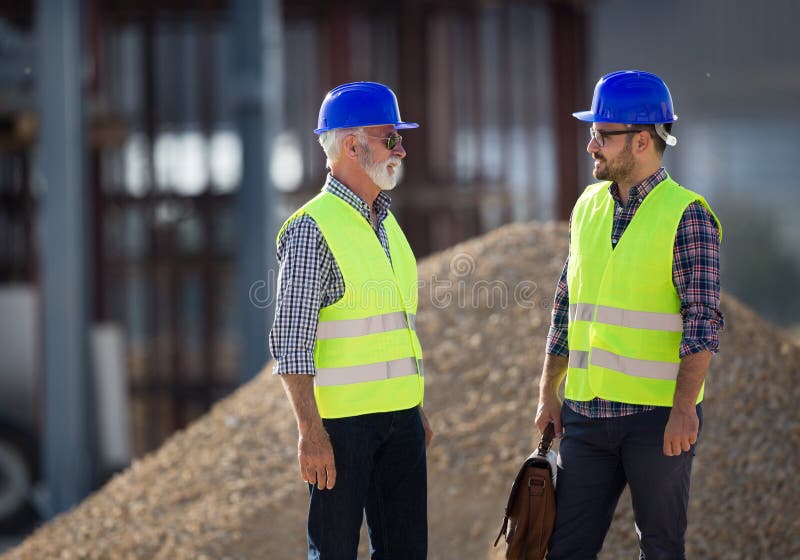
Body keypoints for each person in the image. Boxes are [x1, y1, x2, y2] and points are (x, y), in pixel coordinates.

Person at [534, 70, 724, 559]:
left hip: (656, 420)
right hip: (586, 415)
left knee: (660, 549)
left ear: (641, 141)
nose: (591, 145)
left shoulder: (687, 216)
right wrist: (548, 394)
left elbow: (703, 321)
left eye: (602, 135)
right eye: (591, 133)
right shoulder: (587, 206)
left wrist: (684, 410)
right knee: (565, 549)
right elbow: (565, 307)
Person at [268, 81, 432, 560]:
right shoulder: (311, 230)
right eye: (390, 138)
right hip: (341, 430)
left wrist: (413, 409)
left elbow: (394, 329)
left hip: (400, 422)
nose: (401, 149)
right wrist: (310, 432)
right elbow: (291, 344)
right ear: (351, 146)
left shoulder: (387, 224)